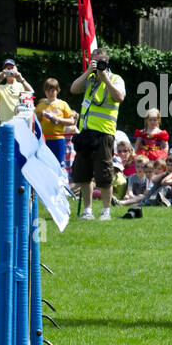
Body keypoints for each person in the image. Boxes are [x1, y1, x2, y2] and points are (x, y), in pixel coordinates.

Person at [70, 49, 126, 221]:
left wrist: (106, 79)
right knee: (84, 174)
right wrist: (88, 71)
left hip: (104, 133)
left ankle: (106, 211)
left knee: (104, 174)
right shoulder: (90, 78)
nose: (98, 65)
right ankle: (88, 210)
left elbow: (119, 97)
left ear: (107, 63)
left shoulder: (116, 79)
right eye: (95, 61)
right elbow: (73, 89)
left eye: (101, 62)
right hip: (86, 132)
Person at [35, 78, 75, 165]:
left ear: (57, 90)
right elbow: (33, 121)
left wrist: (58, 119)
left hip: (58, 139)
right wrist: (40, 115)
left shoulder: (63, 104)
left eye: (52, 91)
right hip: (43, 139)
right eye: (47, 91)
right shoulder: (40, 105)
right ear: (44, 91)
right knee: (44, 164)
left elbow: (72, 121)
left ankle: (59, 179)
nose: (50, 93)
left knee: (59, 163)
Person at [0, 58, 33, 125]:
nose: (10, 70)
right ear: (3, 71)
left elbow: (31, 92)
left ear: (16, 69)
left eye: (12, 68)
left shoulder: (21, 86)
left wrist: (21, 79)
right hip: (5, 123)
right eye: (8, 69)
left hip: (20, 122)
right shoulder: (0, 87)